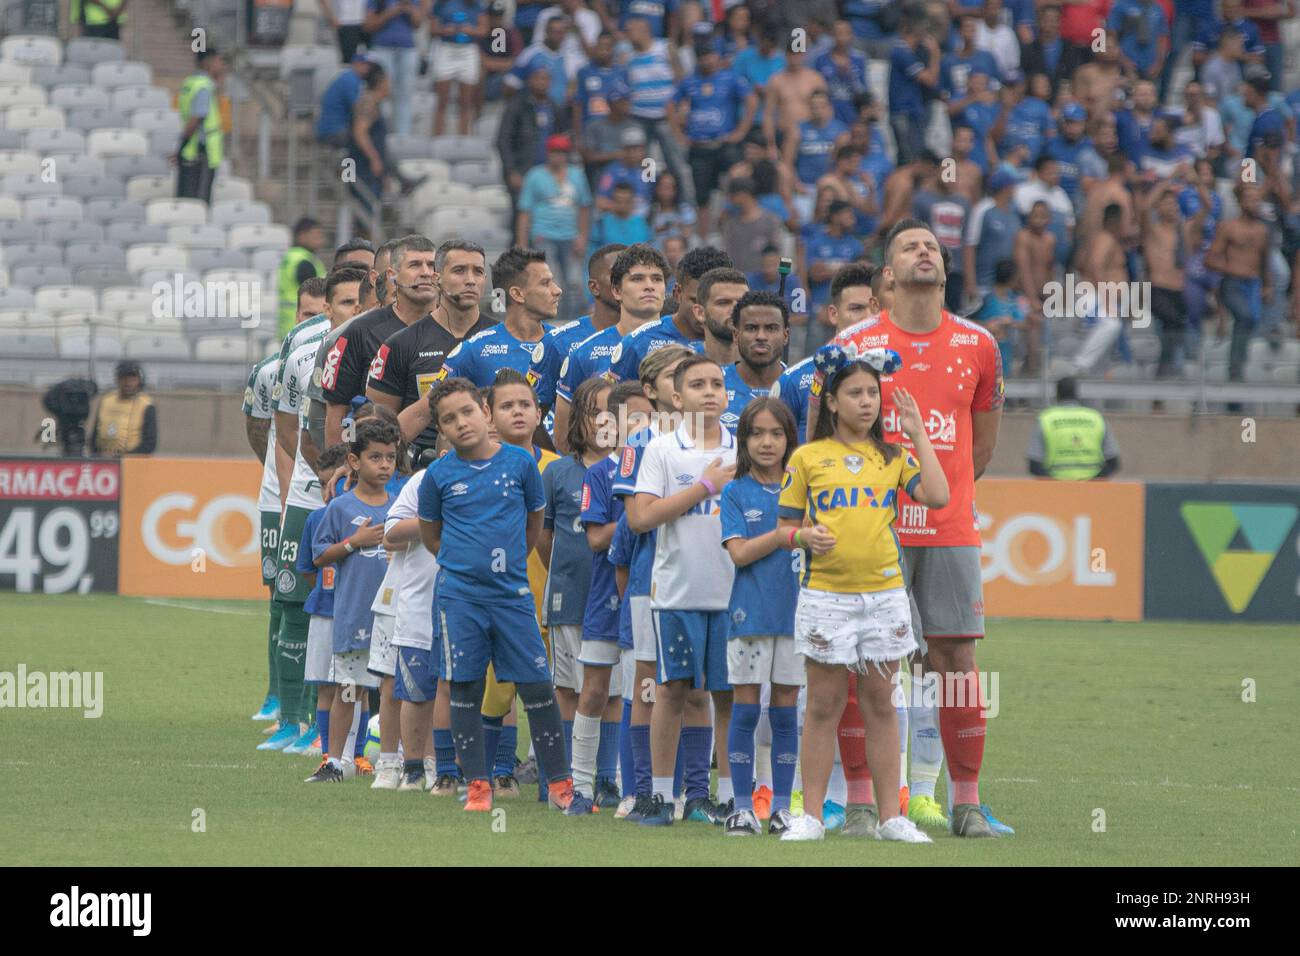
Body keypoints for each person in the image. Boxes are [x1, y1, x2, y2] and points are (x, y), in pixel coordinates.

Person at [811, 219, 1007, 838]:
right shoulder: (853, 344)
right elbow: (823, 438)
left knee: (955, 661)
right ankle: (864, 804)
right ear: (888, 275)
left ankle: (966, 803)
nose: (925, 252)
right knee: (862, 662)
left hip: (948, 527)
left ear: (945, 269)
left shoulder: (980, 344)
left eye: (933, 247)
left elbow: (979, 450)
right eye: (909, 247)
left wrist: (935, 497)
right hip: (869, 531)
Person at [777, 344, 947, 843]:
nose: (867, 402)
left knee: (881, 702)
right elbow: (785, 524)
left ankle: (892, 816)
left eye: (873, 392)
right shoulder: (808, 457)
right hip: (826, 597)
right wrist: (803, 536)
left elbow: (937, 496)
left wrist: (917, 434)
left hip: (885, 596)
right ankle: (809, 816)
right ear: (831, 401)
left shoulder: (893, 456)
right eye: (854, 393)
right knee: (823, 705)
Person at [416, 377, 577, 812]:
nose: (461, 423)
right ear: (441, 430)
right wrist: (464, 565)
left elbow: (532, 527)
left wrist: (504, 567)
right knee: (465, 687)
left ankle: (562, 786)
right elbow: (433, 537)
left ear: (485, 412)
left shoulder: (521, 466)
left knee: (537, 686)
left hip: (512, 596)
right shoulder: (437, 475)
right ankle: (478, 787)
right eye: (449, 419)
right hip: (459, 599)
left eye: (467, 412)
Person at [628, 354, 737, 826]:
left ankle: (725, 796)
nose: (709, 391)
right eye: (698, 384)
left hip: (734, 594)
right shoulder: (661, 449)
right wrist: (704, 487)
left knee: (727, 695)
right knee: (670, 691)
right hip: (677, 592)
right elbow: (640, 517)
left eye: (717, 383)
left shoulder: (744, 448)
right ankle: (658, 796)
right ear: (677, 396)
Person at [718, 397, 801, 835]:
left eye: (776, 433)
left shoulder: (803, 487)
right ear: (743, 440)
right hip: (748, 616)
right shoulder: (734, 491)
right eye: (757, 434)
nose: (767, 442)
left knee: (786, 712)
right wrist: (786, 534)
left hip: (795, 617)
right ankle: (742, 805)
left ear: (790, 438)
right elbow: (741, 554)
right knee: (746, 711)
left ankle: (783, 807)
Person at [305, 418, 400, 782]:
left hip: (393, 616)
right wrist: (353, 543)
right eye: (375, 457)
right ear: (354, 461)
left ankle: (400, 761)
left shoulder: (402, 504)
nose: (385, 465)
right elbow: (319, 557)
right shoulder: (340, 508)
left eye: (390, 458)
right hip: (353, 613)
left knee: (396, 690)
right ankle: (336, 761)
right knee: (348, 689)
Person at [563, 378, 631, 814]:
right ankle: (581, 787)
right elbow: (596, 538)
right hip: (608, 596)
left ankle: (635, 787)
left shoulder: (663, 465)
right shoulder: (601, 473)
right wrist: (642, 519)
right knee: (594, 691)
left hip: (653, 594)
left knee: (644, 693)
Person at [542, 378, 613, 787]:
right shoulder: (557, 473)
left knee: (614, 691)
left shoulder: (630, 470)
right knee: (568, 688)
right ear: (578, 421)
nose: (603, 422)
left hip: (612, 598)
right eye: (594, 413)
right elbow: (544, 535)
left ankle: (607, 777)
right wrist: (564, 571)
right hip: (567, 598)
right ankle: (565, 778)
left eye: (611, 413)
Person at [370, 239, 494, 461]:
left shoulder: (502, 338)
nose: (470, 280)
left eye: (478, 272)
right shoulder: (401, 344)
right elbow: (378, 425)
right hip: (422, 471)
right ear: (437, 278)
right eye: (459, 271)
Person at [322, 236, 439, 447]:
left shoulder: (453, 329)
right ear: (392, 275)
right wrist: (340, 467)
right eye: (415, 264)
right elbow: (336, 412)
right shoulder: (360, 332)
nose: (426, 272)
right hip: (380, 464)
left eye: (431, 265)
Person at [553, 243, 668, 449]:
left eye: (657, 279)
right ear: (616, 290)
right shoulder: (583, 353)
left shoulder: (688, 349)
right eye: (637, 279)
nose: (649, 286)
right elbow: (564, 441)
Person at [380, 460, 443, 790]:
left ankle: (442, 766)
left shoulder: (500, 475)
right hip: (418, 608)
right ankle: (414, 768)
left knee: (455, 690)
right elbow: (390, 533)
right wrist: (435, 520)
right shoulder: (423, 480)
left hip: (469, 605)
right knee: (417, 693)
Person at [292, 442, 351, 765]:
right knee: (326, 685)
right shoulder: (315, 519)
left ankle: (355, 752)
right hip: (324, 612)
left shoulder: (363, 516)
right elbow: (308, 570)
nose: (330, 494)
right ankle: (328, 748)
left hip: (356, 613)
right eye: (323, 486)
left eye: (336, 485)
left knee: (353, 684)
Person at [778, 262, 878, 441]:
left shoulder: (897, 374)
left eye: (875, 310)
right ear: (833, 314)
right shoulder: (793, 380)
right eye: (856, 308)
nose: (868, 318)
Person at [672, 35, 758, 239]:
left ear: (717, 57)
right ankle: (702, 240)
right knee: (702, 197)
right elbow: (669, 104)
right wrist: (678, 134)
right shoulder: (690, 81)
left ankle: (732, 226)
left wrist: (740, 132)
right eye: (703, 57)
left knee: (739, 177)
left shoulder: (730, 78)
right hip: (699, 146)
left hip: (724, 143)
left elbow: (751, 101)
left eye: (710, 56)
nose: (707, 60)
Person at [443, 247, 561, 395]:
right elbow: (431, 409)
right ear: (517, 294)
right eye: (545, 283)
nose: (557, 290)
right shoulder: (475, 350)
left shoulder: (565, 344)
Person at [608, 245, 732, 380]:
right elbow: (618, 400)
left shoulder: (745, 341)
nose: (702, 313)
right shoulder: (638, 343)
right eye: (696, 301)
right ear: (677, 293)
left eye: (720, 303)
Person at [243, 350, 284, 727]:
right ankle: (277, 694)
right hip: (279, 495)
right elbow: (256, 429)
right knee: (281, 594)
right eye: (305, 313)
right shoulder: (271, 371)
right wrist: (277, 470)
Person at [517, 135, 593, 316]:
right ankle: (554, 321)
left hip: (570, 236)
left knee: (574, 283)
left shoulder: (577, 175)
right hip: (544, 235)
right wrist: (521, 243)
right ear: (548, 153)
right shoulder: (535, 176)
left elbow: (584, 208)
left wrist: (582, 236)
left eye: (562, 152)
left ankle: (572, 322)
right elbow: (524, 212)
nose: (558, 156)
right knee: (551, 280)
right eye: (554, 152)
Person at [1205, 182, 1272, 384]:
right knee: (1245, 317)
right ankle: (1235, 371)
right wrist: (1232, 268)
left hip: (1252, 284)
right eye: (1250, 198)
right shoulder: (1228, 227)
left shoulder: (1262, 230)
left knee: (1250, 322)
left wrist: (1268, 285)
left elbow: (1265, 260)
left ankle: (1239, 366)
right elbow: (1210, 258)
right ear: (1241, 202)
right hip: (1232, 282)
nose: (1255, 202)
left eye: (1257, 199)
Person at [498, 63, 564, 223]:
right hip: (523, 172)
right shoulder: (517, 105)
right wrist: (511, 171)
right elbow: (503, 140)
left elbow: (561, 140)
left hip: (548, 173)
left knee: (545, 219)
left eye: (546, 79)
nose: (542, 82)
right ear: (529, 80)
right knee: (521, 218)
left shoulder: (554, 107)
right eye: (538, 78)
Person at [1027, 376, 1120, 479]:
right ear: (1077, 394)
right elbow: (1113, 462)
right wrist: (1093, 483)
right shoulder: (1096, 418)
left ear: (1057, 395)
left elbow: (1034, 465)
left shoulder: (1045, 419)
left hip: (1057, 491)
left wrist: (1055, 485)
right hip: (1092, 492)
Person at [721, 289, 787, 435]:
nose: (761, 336)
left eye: (771, 328)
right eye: (751, 328)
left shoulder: (800, 386)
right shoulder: (714, 383)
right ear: (736, 335)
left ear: (785, 336)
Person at [784, 89, 847, 225]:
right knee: (802, 222)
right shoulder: (798, 130)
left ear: (829, 107)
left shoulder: (840, 131)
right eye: (814, 107)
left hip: (830, 187)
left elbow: (842, 164)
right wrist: (796, 184)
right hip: (804, 187)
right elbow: (787, 162)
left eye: (821, 106)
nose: (817, 110)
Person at [887, 11, 941, 166]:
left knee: (914, 156)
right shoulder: (901, 52)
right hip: (903, 112)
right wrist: (935, 53)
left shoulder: (911, 52)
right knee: (909, 159)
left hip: (913, 111)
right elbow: (930, 80)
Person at [362, 0, 422, 136]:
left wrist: (410, 9)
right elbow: (368, 25)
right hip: (382, 48)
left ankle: (403, 136)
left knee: (404, 94)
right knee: (379, 93)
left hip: (407, 49)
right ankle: (379, 133)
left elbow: (418, 24)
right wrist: (391, 12)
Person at [430, 0, 488, 136]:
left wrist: (470, 30)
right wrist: (445, 30)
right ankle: (437, 138)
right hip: (446, 49)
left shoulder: (478, 5)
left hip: (468, 50)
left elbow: (484, 30)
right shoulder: (442, 3)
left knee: (466, 101)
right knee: (442, 100)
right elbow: (432, 29)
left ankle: (463, 138)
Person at [175, 48, 225, 204]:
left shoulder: (190, 83)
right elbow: (196, 118)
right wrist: (180, 148)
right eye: (219, 61)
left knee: (186, 200)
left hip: (191, 151)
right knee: (199, 203)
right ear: (208, 63)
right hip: (201, 152)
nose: (222, 66)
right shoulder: (204, 86)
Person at [90, 361, 156, 457]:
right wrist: (97, 455)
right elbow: (95, 435)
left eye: (132, 379)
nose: (128, 383)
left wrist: (124, 457)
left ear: (139, 381)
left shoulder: (146, 405)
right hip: (103, 460)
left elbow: (150, 443)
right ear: (117, 379)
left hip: (133, 463)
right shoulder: (106, 400)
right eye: (124, 378)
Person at [277, 218, 327, 340]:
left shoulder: (290, 256)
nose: (321, 240)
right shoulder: (305, 261)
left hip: (287, 324)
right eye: (315, 235)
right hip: (305, 323)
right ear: (302, 236)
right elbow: (315, 292)